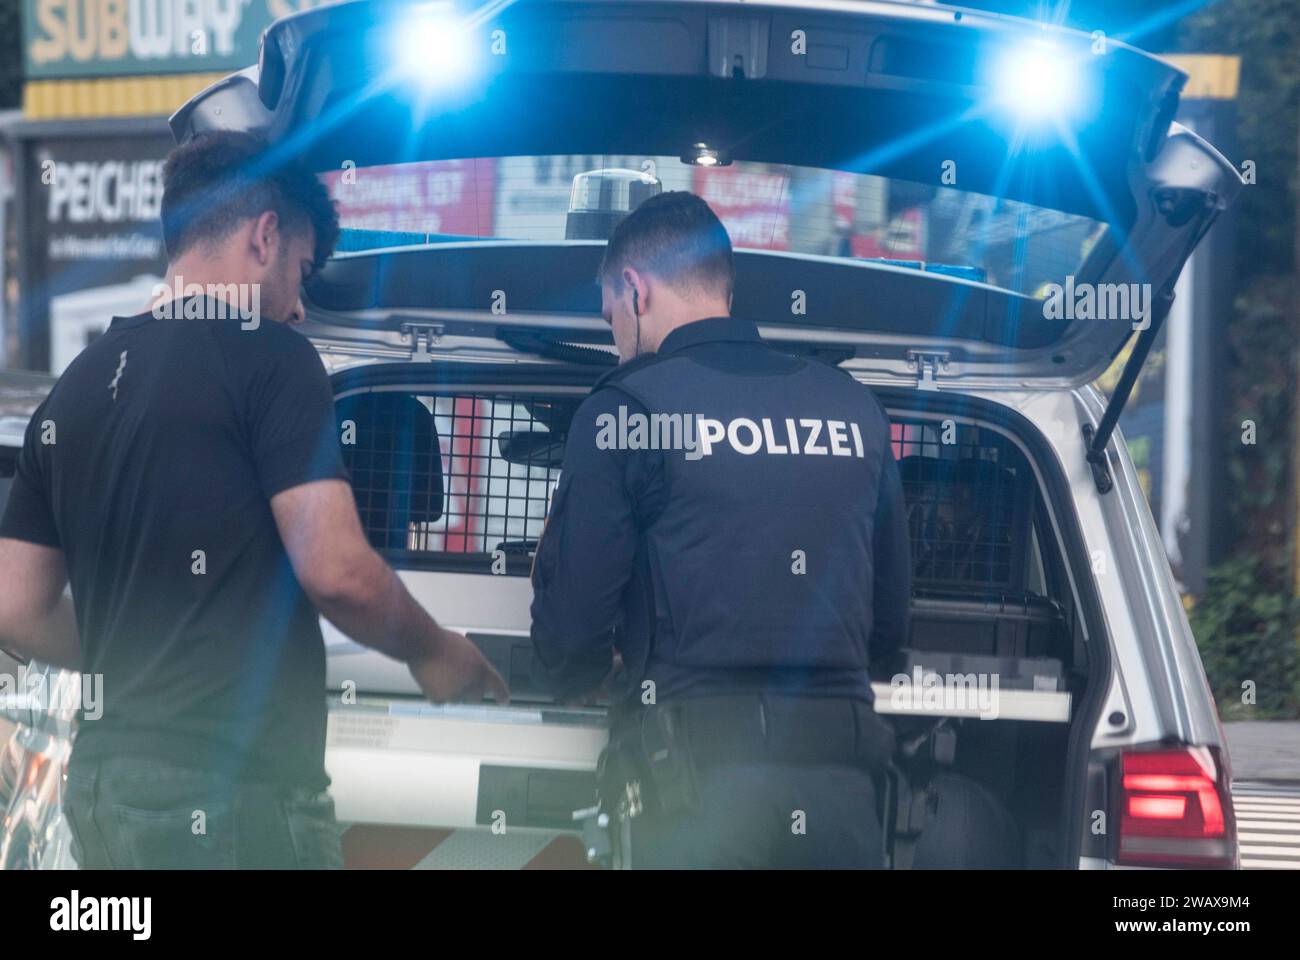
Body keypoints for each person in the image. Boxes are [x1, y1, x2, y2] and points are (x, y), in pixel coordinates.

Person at [0, 131, 506, 869]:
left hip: (106, 791)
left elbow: (16, 606)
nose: (300, 308)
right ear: (265, 236)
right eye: (303, 271)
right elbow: (334, 568)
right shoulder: (272, 359)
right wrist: (437, 653)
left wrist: (134, 647)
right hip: (232, 794)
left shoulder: (77, 384)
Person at [529, 190, 911, 868]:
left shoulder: (627, 408)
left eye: (611, 316)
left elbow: (572, 637)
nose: (616, 340)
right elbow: (889, 633)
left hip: (693, 801)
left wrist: (583, 665)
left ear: (634, 289)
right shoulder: (855, 409)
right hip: (842, 798)